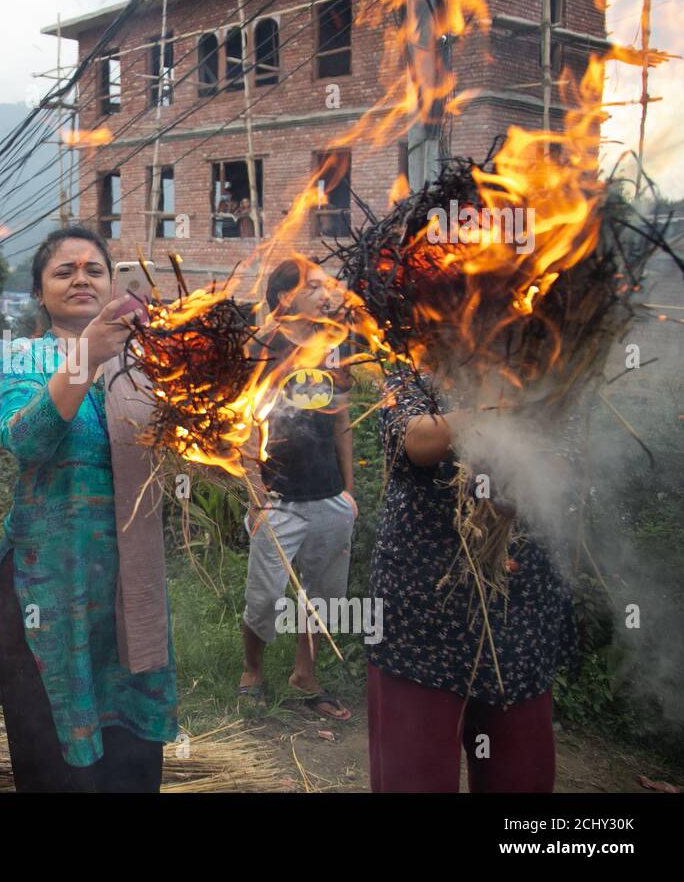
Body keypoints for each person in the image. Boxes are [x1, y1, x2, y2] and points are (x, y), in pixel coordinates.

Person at [0, 225, 177, 793]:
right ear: (39, 291)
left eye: (94, 269)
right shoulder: (24, 356)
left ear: (112, 284)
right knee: (52, 752)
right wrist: (86, 358)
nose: (80, 279)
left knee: (129, 751)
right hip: (47, 587)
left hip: (128, 584)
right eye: (63, 271)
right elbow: (25, 440)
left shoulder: (145, 366)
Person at [366, 362, 577, 792]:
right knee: (415, 774)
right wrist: (497, 409)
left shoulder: (547, 371)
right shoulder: (414, 370)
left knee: (518, 772)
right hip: (423, 612)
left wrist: (522, 475)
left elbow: (566, 466)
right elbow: (415, 440)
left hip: (519, 611)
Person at [239, 257, 356, 721]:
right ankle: (252, 671)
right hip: (277, 498)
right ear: (286, 296)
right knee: (265, 596)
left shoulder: (335, 345)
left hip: (328, 495)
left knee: (322, 595)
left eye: (326, 286)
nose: (326, 295)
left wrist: (348, 493)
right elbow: (245, 425)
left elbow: (342, 421)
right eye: (313, 286)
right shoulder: (262, 346)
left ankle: (304, 675)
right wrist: (256, 496)